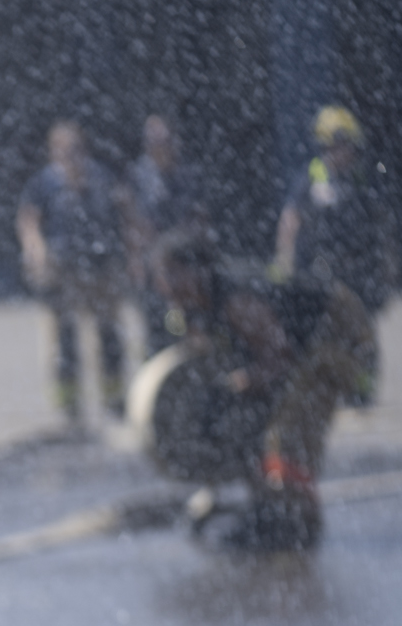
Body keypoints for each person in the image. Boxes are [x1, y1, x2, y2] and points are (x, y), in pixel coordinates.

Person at [152, 229, 376, 551]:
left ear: (197, 270)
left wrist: (237, 384)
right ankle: (270, 509)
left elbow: (279, 357)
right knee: (252, 423)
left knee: (289, 432)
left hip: (337, 329)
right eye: (161, 274)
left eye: (172, 273)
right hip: (299, 343)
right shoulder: (195, 304)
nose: (165, 284)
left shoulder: (236, 301)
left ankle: (297, 524)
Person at [273, 106, 395, 403]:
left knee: (361, 334)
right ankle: (325, 389)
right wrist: (284, 260)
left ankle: (361, 391)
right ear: (328, 145)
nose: (348, 153)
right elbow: (291, 219)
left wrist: (387, 266)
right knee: (321, 334)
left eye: (351, 147)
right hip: (320, 272)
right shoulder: (312, 178)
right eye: (343, 146)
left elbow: (381, 223)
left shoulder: (363, 179)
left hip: (357, 270)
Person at [17, 121, 130, 425]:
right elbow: (29, 219)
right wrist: (35, 249)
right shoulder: (45, 183)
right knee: (64, 337)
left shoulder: (101, 178)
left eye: (76, 149)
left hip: (100, 264)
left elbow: (124, 214)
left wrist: (130, 254)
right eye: (64, 150)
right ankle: (70, 403)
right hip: (63, 267)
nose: (71, 156)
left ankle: (114, 396)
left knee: (109, 334)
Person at [125, 115, 204, 357]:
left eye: (165, 141)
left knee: (191, 325)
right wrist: (137, 257)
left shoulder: (188, 174)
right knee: (157, 329)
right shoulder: (138, 175)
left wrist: (175, 248)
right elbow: (132, 220)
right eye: (154, 142)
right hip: (153, 266)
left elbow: (199, 218)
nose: (160, 148)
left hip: (183, 262)